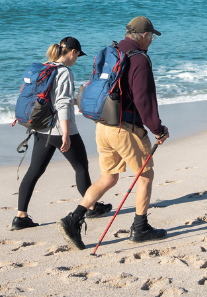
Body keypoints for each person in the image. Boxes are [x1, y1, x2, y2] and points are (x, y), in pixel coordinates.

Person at [58, 17, 170, 250]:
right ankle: (140, 228)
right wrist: (157, 129)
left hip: (103, 127)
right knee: (145, 175)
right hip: (124, 129)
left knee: (108, 177)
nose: (151, 41)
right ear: (143, 36)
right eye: (151, 36)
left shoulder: (112, 51)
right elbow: (144, 100)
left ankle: (73, 219)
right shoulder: (139, 59)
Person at [13, 37, 111, 229]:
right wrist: (66, 133)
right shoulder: (64, 72)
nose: (76, 59)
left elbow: (53, 98)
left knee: (34, 170)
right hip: (60, 129)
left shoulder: (45, 68)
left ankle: (20, 217)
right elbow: (62, 103)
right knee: (81, 167)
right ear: (72, 52)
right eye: (77, 56)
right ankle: (90, 207)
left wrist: (80, 102)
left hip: (41, 127)